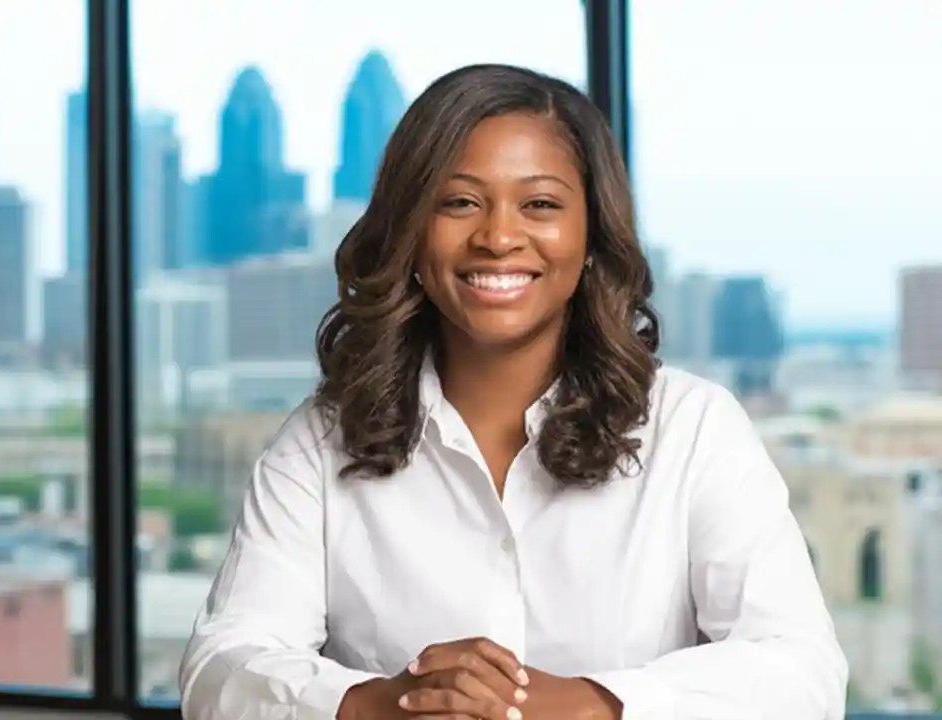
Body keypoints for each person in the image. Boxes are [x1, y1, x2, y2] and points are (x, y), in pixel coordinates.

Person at [178, 64, 847, 720]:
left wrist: (595, 705)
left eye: (541, 205)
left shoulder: (693, 429)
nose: (498, 238)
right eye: (459, 202)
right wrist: (373, 705)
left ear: (591, 236)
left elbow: (802, 673)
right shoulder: (322, 439)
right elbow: (221, 668)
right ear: (412, 233)